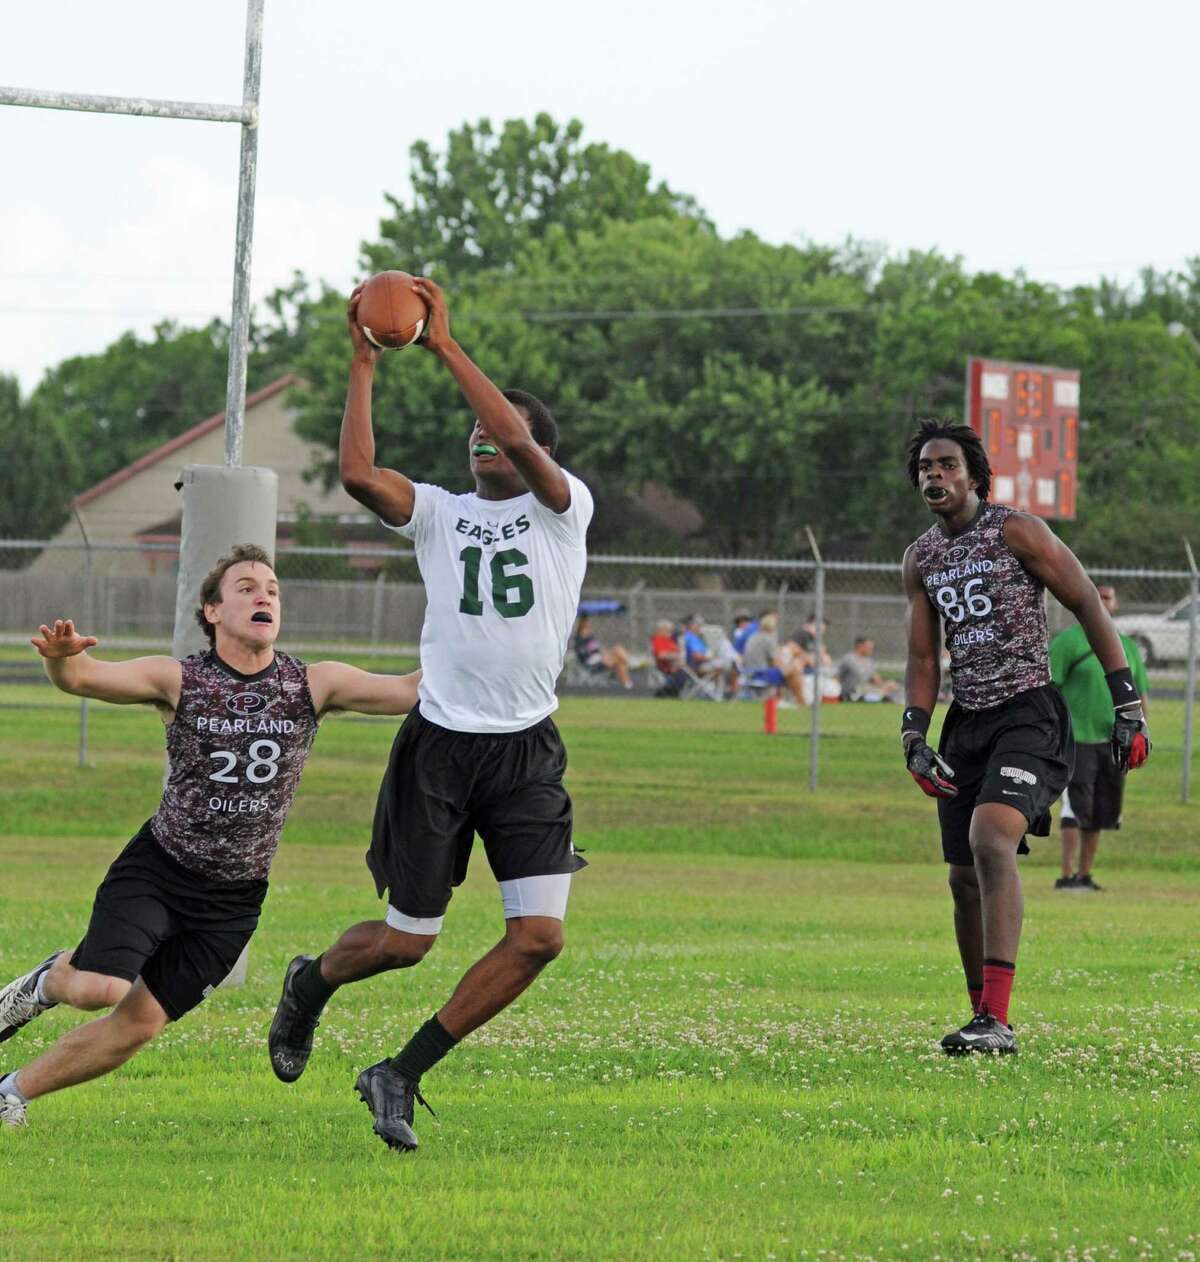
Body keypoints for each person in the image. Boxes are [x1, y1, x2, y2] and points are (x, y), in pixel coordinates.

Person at [267, 276, 592, 1154]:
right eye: (474, 433)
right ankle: (311, 983)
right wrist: (363, 362)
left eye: (500, 431)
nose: (485, 436)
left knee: (538, 937)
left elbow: (519, 434)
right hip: (441, 748)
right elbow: (357, 475)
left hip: (527, 751)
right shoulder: (442, 514)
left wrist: (446, 345)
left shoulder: (563, 512)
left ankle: (400, 1071)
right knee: (408, 942)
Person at [0, 545, 421, 1129]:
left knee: (139, 1024)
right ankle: (43, 984)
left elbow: (411, 691)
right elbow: (83, 677)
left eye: (271, 588)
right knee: (99, 988)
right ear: (212, 610)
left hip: (233, 900)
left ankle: (10, 1093)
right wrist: (61, 660)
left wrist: (473, 639)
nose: (264, 596)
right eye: (246, 587)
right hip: (160, 869)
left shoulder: (313, 684)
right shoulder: (179, 678)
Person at [900, 419, 1150, 1056]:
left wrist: (1130, 704)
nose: (936, 475)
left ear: (975, 476)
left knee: (991, 838)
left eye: (947, 464)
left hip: (1030, 713)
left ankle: (999, 1020)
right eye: (926, 467)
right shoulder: (921, 558)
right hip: (967, 721)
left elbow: (1088, 600)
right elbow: (925, 659)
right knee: (961, 876)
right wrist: (913, 732)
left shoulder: (1016, 529)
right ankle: (981, 1016)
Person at [1049, 585, 1150, 891]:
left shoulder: (1127, 647)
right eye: (1098, 597)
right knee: (1074, 807)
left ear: (1116, 604)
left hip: (1113, 739)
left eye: (1109, 598)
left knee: (1101, 808)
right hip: (1076, 737)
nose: (1104, 603)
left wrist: (1141, 731)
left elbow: (1139, 692)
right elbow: (1051, 690)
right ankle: (1066, 875)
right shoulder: (1068, 642)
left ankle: (1085, 874)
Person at [741, 611, 807, 707]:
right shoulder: (767, 639)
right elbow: (776, 662)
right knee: (795, 671)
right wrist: (788, 665)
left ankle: (791, 700)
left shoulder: (754, 636)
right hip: (761, 673)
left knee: (791, 671)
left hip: (749, 672)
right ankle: (801, 701)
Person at [573, 614, 633, 689]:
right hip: (591, 662)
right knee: (619, 662)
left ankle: (628, 680)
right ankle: (629, 676)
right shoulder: (579, 640)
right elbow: (583, 655)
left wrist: (603, 654)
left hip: (599, 657)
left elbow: (598, 648)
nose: (588, 628)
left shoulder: (590, 637)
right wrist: (600, 655)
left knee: (617, 649)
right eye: (586, 626)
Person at [836, 636, 900, 702]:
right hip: (851, 691)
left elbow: (875, 678)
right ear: (860, 646)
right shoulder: (848, 659)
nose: (871, 649)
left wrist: (886, 685)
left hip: (865, 689)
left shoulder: (869, 661)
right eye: (869, 648)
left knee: (891, 687)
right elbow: (837, 677)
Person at [650, 619, 687, 698]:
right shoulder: (658, 640)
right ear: (661, 630)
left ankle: (672, 693)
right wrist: (675, 656)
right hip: (664, 667)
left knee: (683, 673)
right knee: (681, 674)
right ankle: (664, 693)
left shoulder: (670, 641)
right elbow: (661, 655)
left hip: (675, 666)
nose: (670, 633)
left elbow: (679, 652)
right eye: (668, 631)